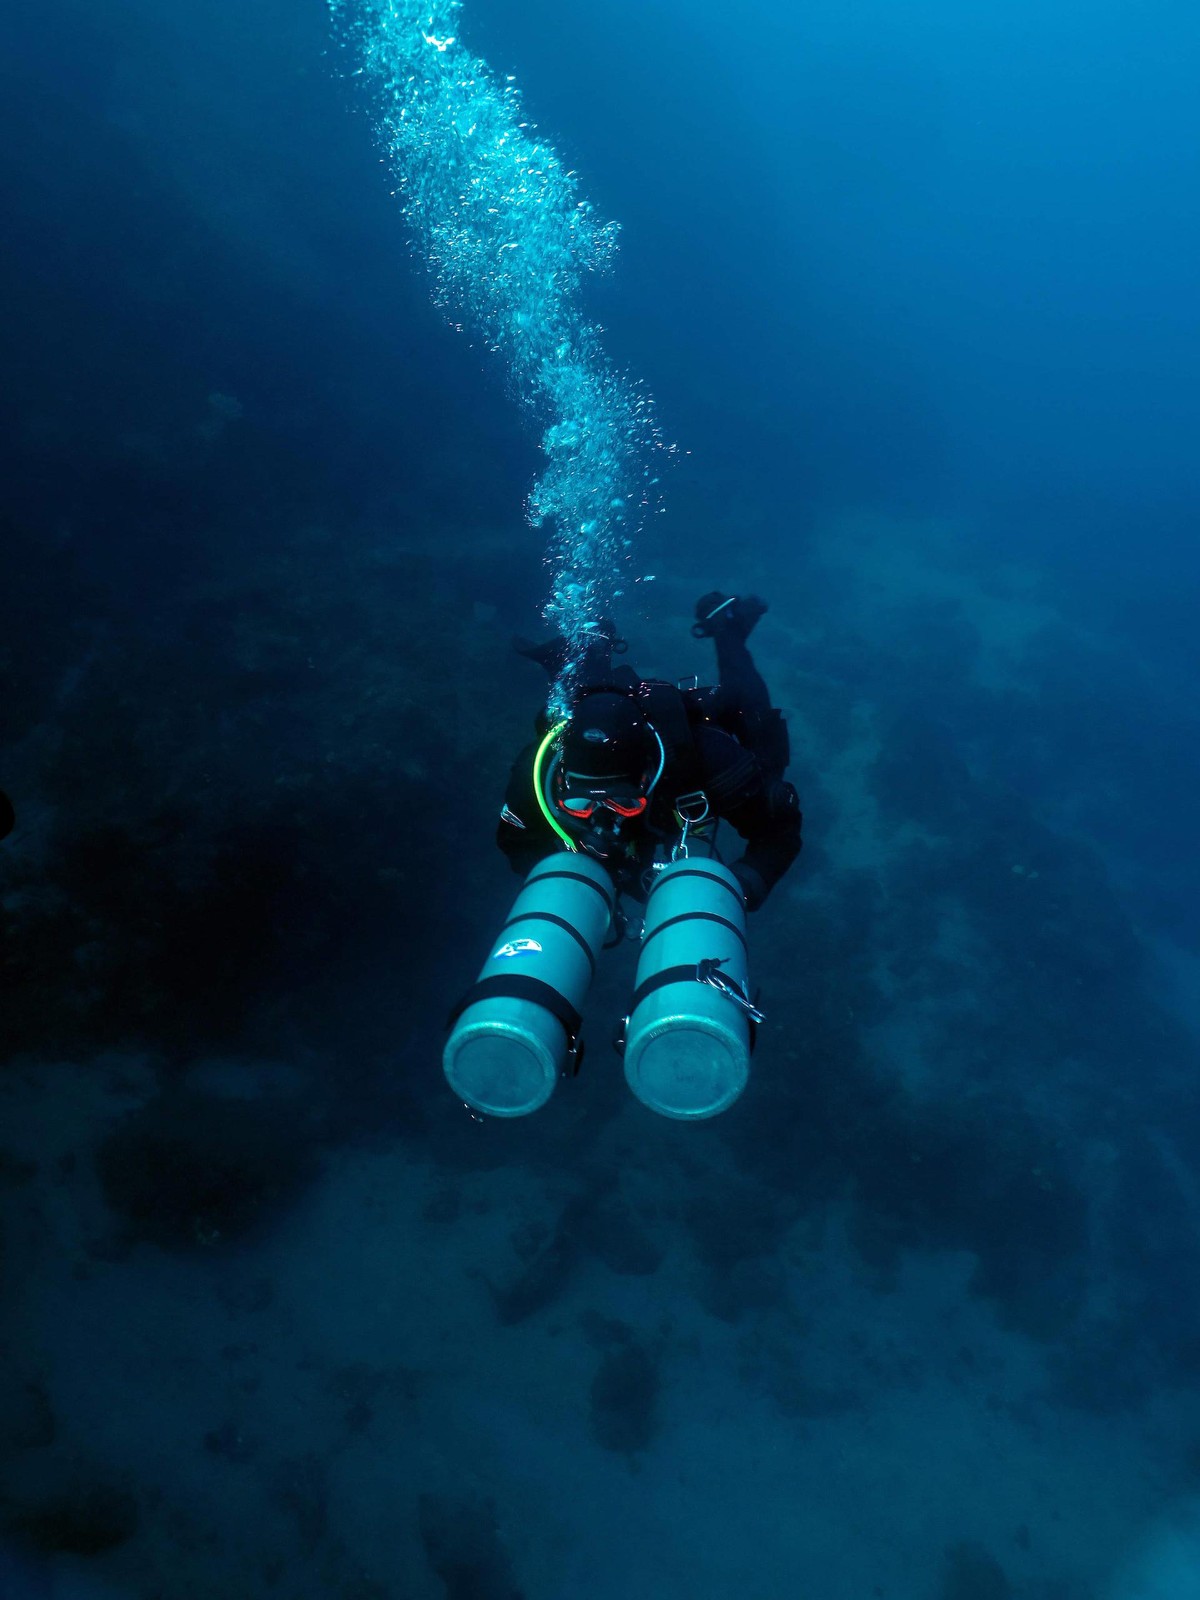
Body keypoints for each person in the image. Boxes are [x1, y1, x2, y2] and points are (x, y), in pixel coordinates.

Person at [497, 592, 802, 913]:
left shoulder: (710, 763)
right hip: (603, 731)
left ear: (647, 775)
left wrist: (739, 887)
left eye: (622, 801)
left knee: (757, 729)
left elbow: (779, 833)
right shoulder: (536, 774)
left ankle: (726, 628)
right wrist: (583, 882)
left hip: (685, 743)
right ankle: (587, 647)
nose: (603, 818)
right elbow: (515, 842)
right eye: (579, 804)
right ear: (562, 780)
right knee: (578, 700)